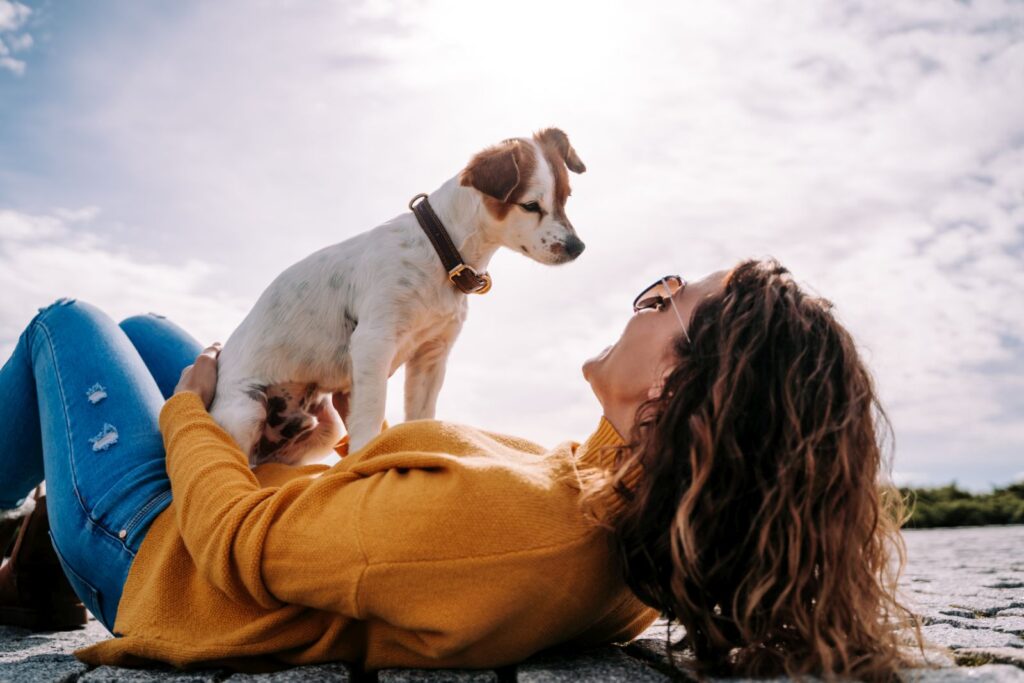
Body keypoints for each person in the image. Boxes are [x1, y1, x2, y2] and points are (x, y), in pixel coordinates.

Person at [0, 259, 922, 679]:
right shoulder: (625, 514)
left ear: (673, 387)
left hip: (163, 556)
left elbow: (240, 542)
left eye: (668, 297)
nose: (647, 296)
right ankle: (29, 587)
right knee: (156, 335)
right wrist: (321, 448)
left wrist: (189, 416)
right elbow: (381, 545)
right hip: (260, 516)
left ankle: (48, 557)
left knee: (69, 325)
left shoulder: (512, 532)